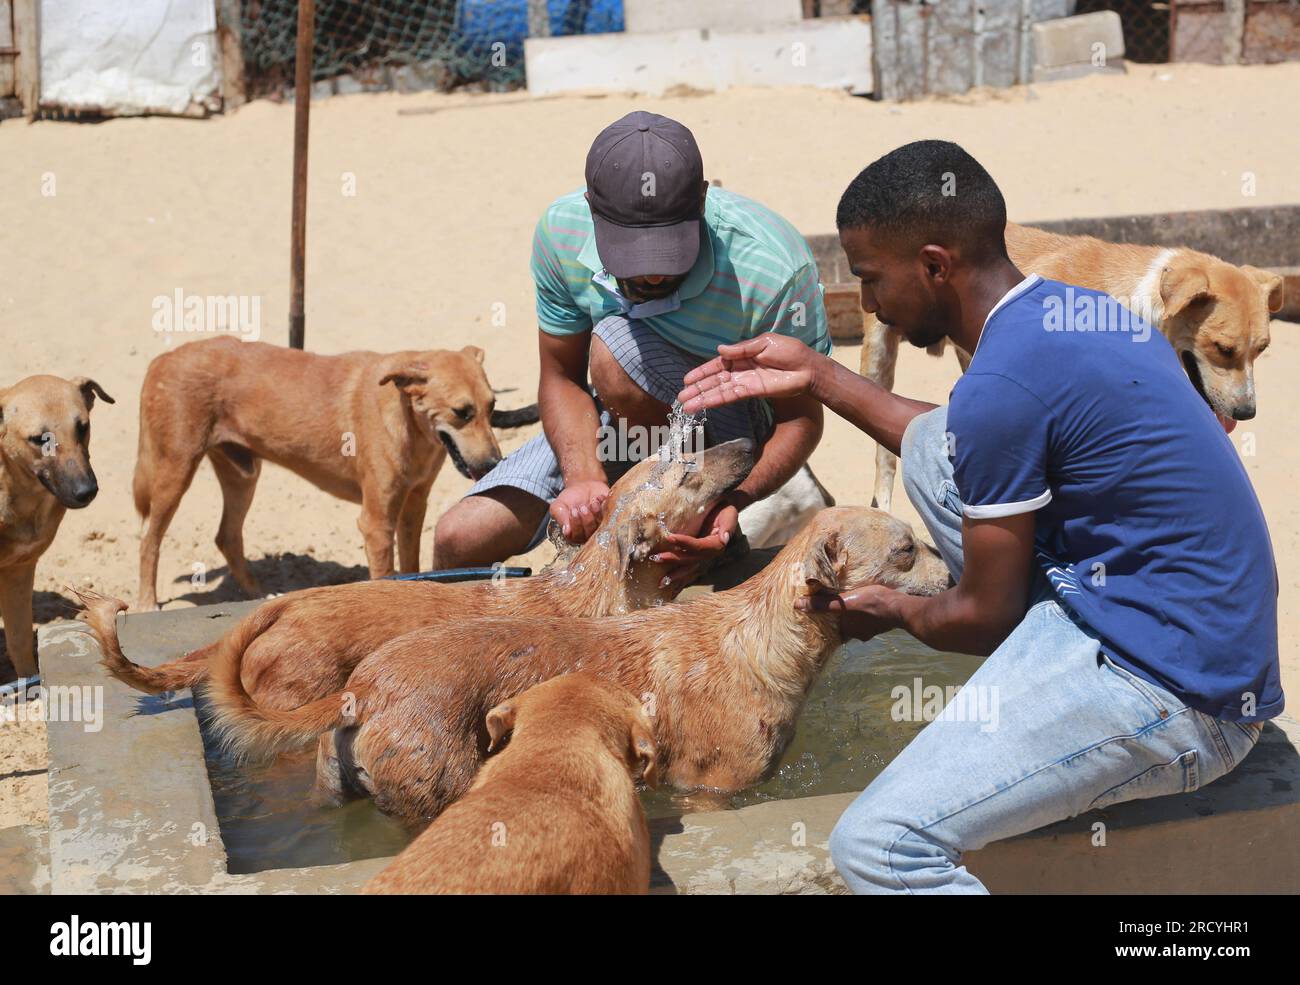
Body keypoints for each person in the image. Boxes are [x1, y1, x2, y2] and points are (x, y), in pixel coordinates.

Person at [677, 139, 1282, 894]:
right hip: (1181, 622)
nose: (868, 305)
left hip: (1180, 695)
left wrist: (888, 611)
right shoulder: (1071, 310)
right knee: (940, 445)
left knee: (878, 844)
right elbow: (964, 439)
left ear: (934, 265)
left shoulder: (1000, 387)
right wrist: (820, 375)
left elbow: (982, 618)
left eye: (870, 278)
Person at [433, 111, 828, 587]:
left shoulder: (772, 267)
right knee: (459, 537)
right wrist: (583, 479)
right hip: (610, 420)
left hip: (731, 427)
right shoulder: (561, 234)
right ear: (591, 211)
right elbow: (560, 377)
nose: (654, 276)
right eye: (632, 257)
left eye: (668, 253)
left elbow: (800, 419)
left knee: (614, 350)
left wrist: (731, 501)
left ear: (702, 201)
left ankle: (682, 514)